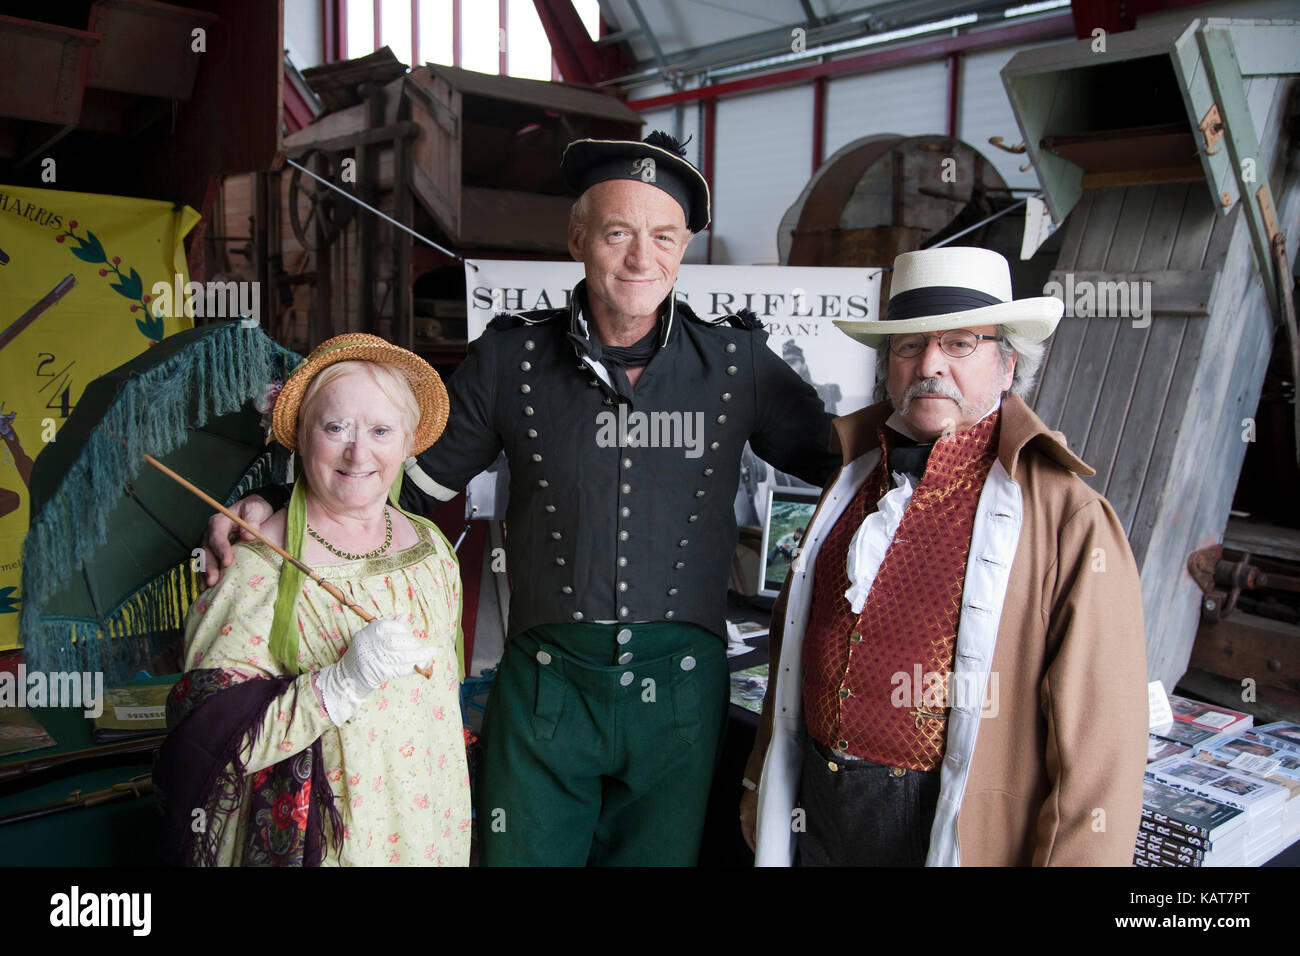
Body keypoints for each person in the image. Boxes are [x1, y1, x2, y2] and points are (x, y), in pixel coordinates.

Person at [201, 132, 838, 866]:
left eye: (664, 236)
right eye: (618, 232)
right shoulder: (512, 357)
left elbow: (847, 465)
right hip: (545, 690)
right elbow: (405, 474)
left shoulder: (738, 364)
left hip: (683, 698)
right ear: (577, 238)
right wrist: (281, 501)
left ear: (686, 246)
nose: (641, 257)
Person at [739, 246, 1148, 866]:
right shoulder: (848, 479)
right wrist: (757, 780)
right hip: (815, 808)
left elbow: (1100, 755)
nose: (929, 363)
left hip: (939, 827)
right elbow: (790, 652)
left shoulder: (1070, 520)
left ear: (1008, 364)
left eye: (960, 343)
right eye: (908, 345)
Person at [157, 334, 471, 866]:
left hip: (432, 835)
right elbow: (207, 744)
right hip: (331, 846)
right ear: (301, 437)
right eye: (335, 427)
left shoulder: (431, 549)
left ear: (408, 440)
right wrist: (339, 684)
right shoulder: (254, 571)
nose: (358, 451)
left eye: (380, 430)